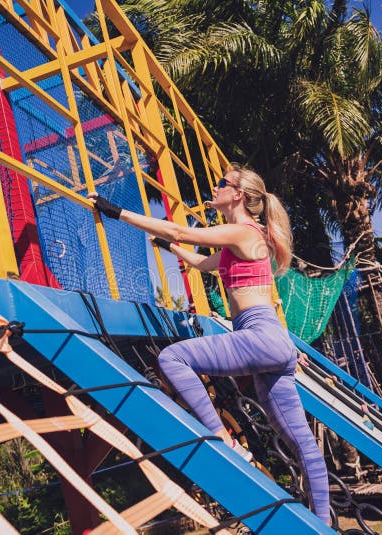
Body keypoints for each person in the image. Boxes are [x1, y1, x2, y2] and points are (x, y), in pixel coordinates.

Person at [89, 164, 330, 524]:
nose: (214, 187)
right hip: (272, 342)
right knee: (299, 440)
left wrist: (117, 212)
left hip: (259, 337)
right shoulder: (248, 238)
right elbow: (203, 263)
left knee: (173, 359)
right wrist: (172, 249)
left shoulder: (241, 230)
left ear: (237, 194)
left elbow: (178, 229)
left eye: (221, 183)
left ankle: (223, 441)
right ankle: (324, 523)